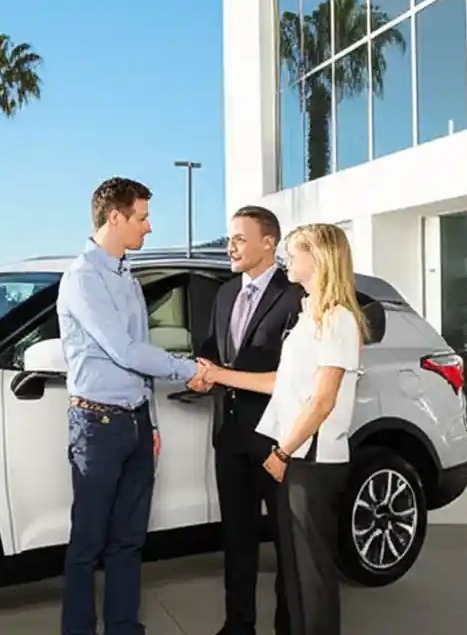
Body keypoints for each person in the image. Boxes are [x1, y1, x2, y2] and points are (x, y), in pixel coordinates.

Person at [196, 222, 368, 635]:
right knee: (297, 570)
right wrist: (218, 374)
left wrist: (281, 451)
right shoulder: (311, 317)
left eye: (295, 252)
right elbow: (280, 382)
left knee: (312, 577)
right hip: (296, 457)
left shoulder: (339, 319)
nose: (288, 259)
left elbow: (322, 401)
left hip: (311, 460)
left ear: (319, 257)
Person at [56, 176, 200, 635]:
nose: (149, 226)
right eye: (142, 217)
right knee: (87, 544)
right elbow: (124, 350)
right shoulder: (84, 278)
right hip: (97, 426)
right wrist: (189, 369)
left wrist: (150, 423)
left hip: (135, 423)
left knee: (129, 542)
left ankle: (123, 628)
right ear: (115, 218)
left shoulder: (126, 276)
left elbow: (140, 354)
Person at [189, 206, 303, 635]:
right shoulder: (224, 295)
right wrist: (199, 373)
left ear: (268, 242)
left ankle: (288, 626)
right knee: (237, 540)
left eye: (240, 238)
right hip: (230, 437)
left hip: (277, 440)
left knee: (288, 544)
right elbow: (212, 351)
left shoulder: (295, 295)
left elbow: (293, 377)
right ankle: (238, 625)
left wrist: (219, 374)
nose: (231, 247)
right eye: (230, 238)